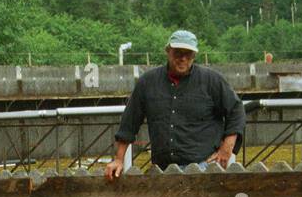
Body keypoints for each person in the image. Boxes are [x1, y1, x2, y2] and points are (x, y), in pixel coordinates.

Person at [105, 30, 245, 179]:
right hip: (162, 170)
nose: (183, 58)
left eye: (188, 54)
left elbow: (236, 110)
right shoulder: (147, 83)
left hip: (204, 167)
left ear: (194, 56)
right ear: (168, 51)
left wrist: (227, 148)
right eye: (178, 53)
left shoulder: (211, 81)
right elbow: (129, 122)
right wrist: (119, 159)